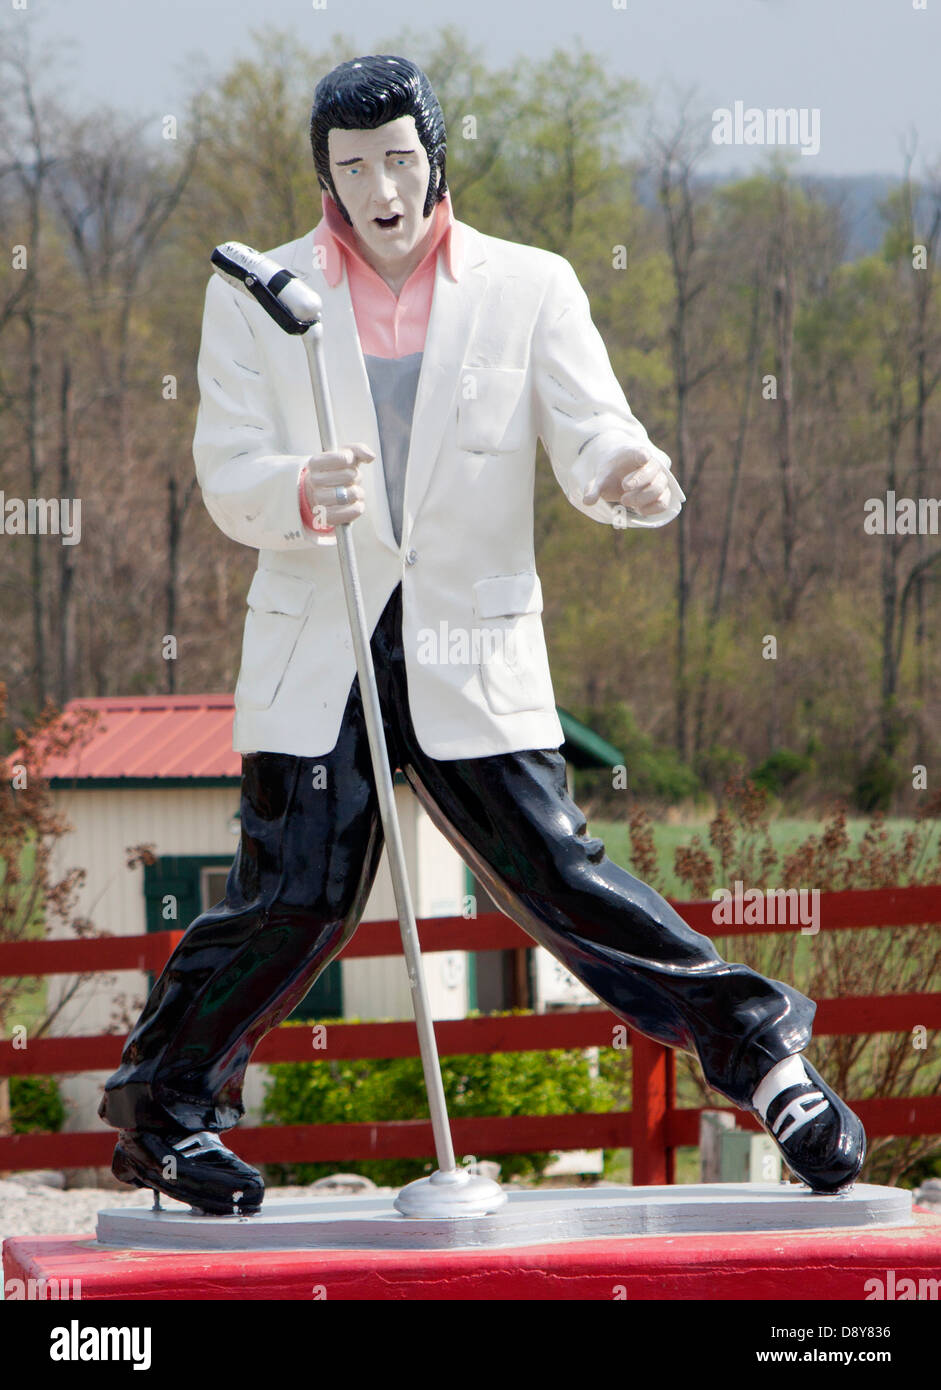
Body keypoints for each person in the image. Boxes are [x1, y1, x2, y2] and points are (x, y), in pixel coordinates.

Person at [99, 54, 864, 1215]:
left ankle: (763, 1057)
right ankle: (167, 1113)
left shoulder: (531, 285)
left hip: (471, 643)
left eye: (397, 159)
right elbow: (224, 472)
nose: (379, 187)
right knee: (293, 895)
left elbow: (591, 427)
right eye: (351, 167)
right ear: (325, 178)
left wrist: (626, 473)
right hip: (326, 635)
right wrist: (298, 492)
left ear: (435, 156)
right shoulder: (258, 291)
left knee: (557, 875)